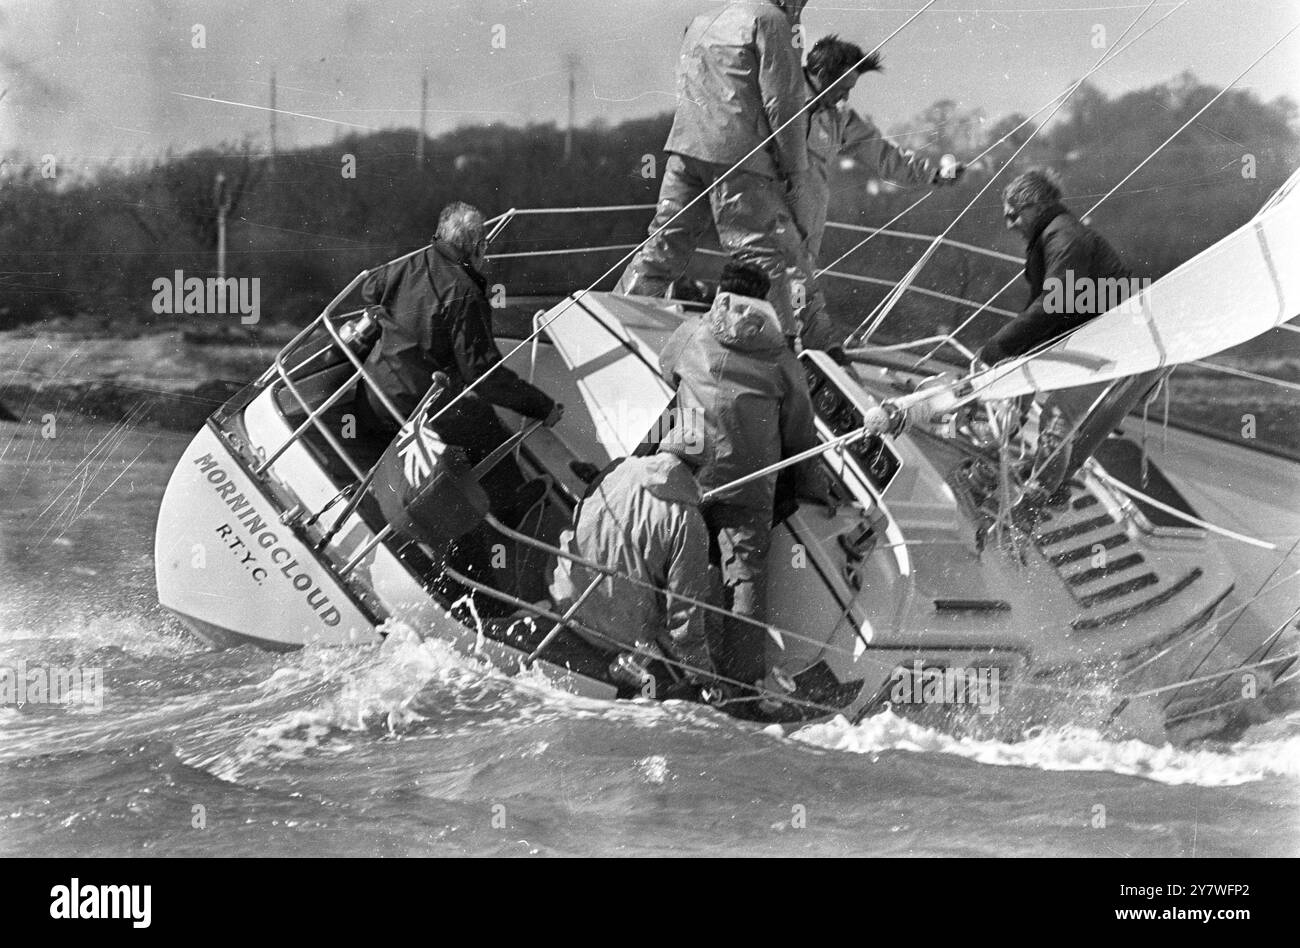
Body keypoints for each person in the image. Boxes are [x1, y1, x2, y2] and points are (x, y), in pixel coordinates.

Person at [658, 261, 831, 692]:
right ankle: (740, 686)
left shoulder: (691, 334)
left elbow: (666, 372)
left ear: (721, 294)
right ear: (765, 301)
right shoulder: (782, 357)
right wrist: (815, 488)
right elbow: (800, 433)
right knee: (746, 580)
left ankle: (672, 658)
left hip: (690, 472)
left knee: (680, 562)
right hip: (750, 485)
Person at [354, 201, 563, 525]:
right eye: (484, 246)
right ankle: (510, 508)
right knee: (483, 420)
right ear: (477, 248)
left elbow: (370, 289)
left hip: (370, 394)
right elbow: (483, 374)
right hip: (413, 410)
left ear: (439, 235)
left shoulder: (409, 262)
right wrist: (542, 406)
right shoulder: (465, 293)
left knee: (467, 412)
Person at [615, 0, 812, 341]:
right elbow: (783, 104)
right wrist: (794, 169)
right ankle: (782, 347)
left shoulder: (703, 20)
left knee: (663, 243)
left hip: (685, 148)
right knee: (762, 253)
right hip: (737, 156)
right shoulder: (772, 22)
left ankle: (618, 317)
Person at [978, 168, 1145, 500]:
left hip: (1115, 341)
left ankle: (1040, 497)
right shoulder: (1051, 236)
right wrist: (1014, 351)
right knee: (1020, 378)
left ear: (1035, 206)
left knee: (1059, 412)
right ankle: (997, 456)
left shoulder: (1064, 238)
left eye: (1013, 214)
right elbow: (1047, 308)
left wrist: (1001, 344)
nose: (1010, 224)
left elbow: (1054, 304)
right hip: (1090, 333)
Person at [794, 35, 964, 355]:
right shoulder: (782, 97)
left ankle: (806, 342)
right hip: (773, 210)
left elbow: (883, 155)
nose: (847, 96)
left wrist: (934, 175)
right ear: (821, 74)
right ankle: (812, 342)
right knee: (791, 279)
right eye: (843, 87)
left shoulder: (838, 117)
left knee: (797, 280)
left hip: (806, 218)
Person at [547, 434, 717, 689]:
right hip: (611, 635)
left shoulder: (619, 468)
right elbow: (684, 614)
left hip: (562, 596)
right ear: (701, 471)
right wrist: (704, 678)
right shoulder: (688, 522)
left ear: (663, 449)